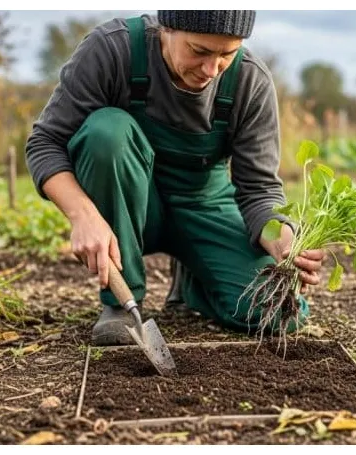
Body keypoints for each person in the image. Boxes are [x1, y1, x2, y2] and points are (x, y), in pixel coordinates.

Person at [25, 10, 324, 346]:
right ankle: (121, 305)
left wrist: (281, 234)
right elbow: (45, 143)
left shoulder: (250, 80)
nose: (212, 70)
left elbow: (259, 188)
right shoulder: (113, 50)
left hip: (203, 205)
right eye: (199, 51)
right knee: (106, 132)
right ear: (166, 28)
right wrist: (82, 214)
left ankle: (195, 279)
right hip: (127, 208)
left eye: (227, 54)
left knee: (280, 311)